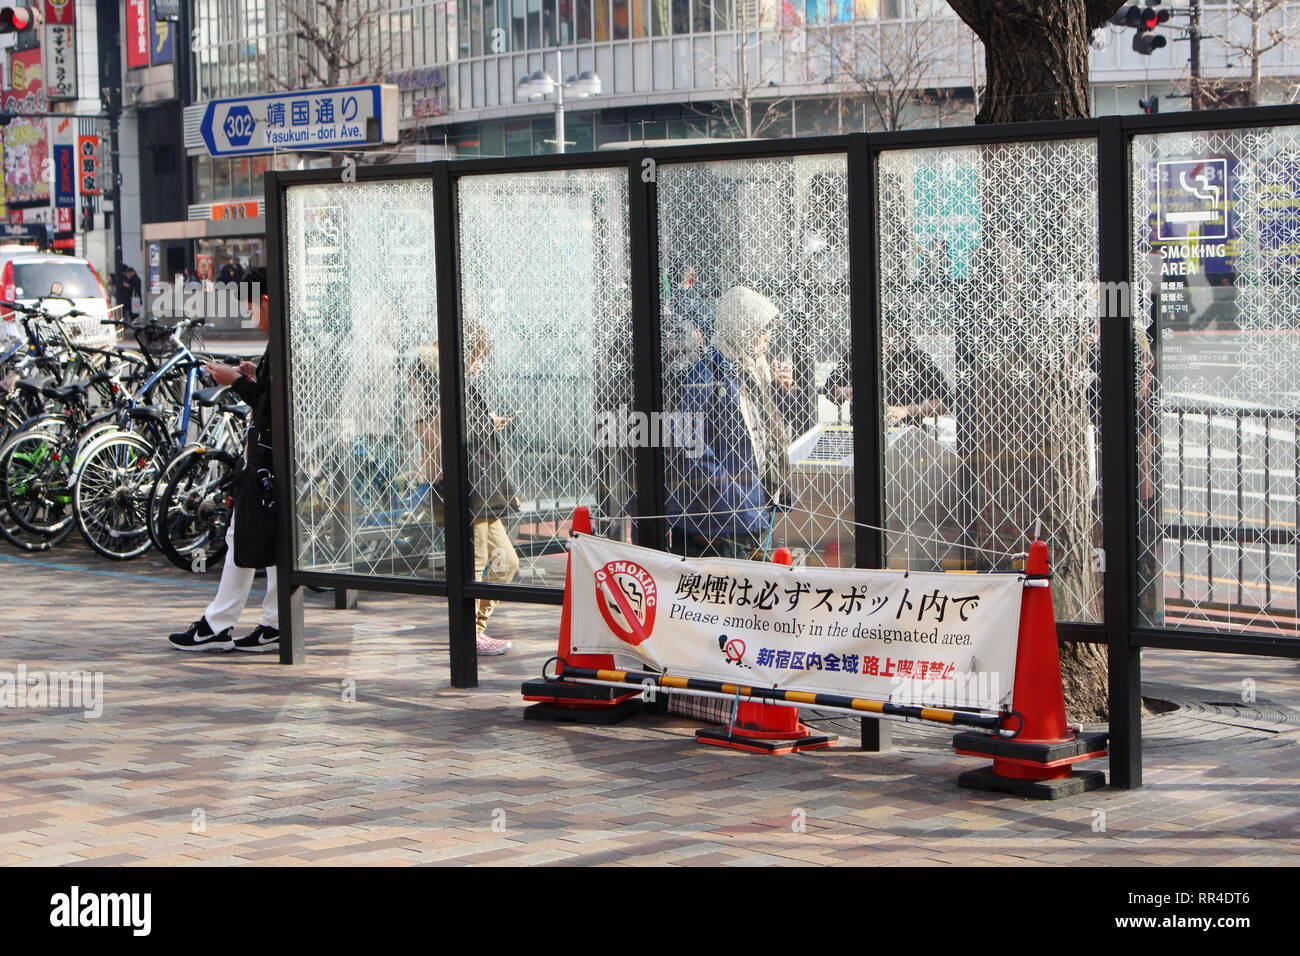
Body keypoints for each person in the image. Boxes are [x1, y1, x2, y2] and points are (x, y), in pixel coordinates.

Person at [168, 268, 280, 653]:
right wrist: (249, 377)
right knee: (260, 537)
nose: (251, 316)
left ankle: (225, 622)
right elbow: (271, 394)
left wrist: (236, 382)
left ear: (266, 302)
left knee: (248, 535)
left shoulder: (286, 341)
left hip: (269, 458)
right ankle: (263, 622)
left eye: (251, 307)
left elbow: (272, 407)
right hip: (271, 458)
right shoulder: (285, 339)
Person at [665, 285, 795, 558]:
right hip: (720, 519)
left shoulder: (747, 370)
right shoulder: (708, 372)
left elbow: (762, 432)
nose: (766, 339)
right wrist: (732, 493)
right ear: (742, 328)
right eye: (760, 330)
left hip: (748, 509)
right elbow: (687, 445)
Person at [822, 329, 952, 424]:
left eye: (894, 335)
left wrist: (906, 411)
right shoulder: (856, 354)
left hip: (908, 438)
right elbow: (830, 388)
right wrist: (846, 392)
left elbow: (945, 402)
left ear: (903, 337)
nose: (887, 339)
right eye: (883, 333)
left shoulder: (917, 359)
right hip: (864, 434)